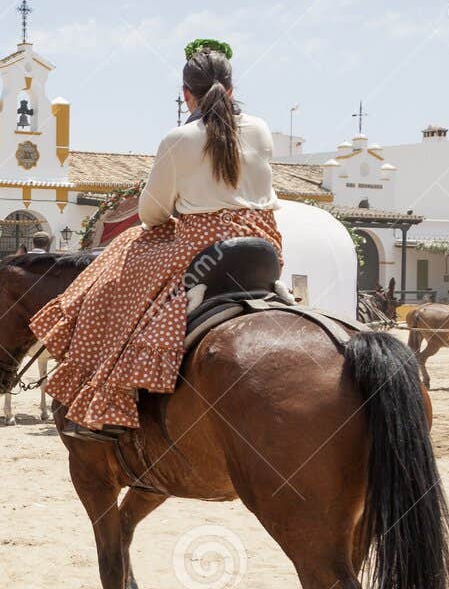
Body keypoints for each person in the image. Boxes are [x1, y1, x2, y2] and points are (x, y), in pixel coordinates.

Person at [30, 39, 279, 438]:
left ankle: (108, 398)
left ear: (186, 94)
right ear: (231, 89)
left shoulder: (178, 139)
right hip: (264, 243)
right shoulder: (262, 130)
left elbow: (151, 213)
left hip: (204, 245)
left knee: (116, 274)